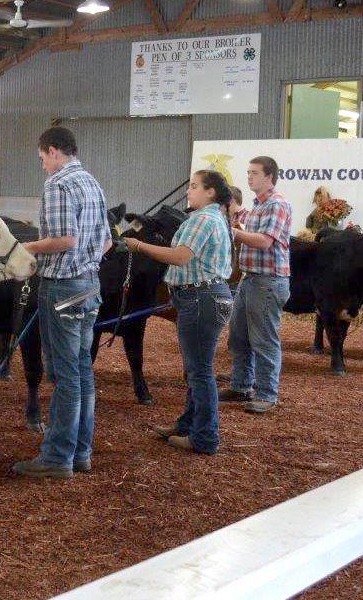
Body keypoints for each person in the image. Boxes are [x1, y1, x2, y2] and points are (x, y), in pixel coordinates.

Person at [12, 126, 109, 479]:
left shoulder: (58, 184)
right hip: (89, 285)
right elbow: (106, 243)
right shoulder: (92, 183)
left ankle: (57, 457)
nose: (42, 166)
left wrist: (29, 247)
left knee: (65, 375)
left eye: (42, 159)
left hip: (62, 288)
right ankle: (80, 451)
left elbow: (64, 239)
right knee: (82, 371)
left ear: (53, 151)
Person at [126, 170, 233, 455]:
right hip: (204, 296)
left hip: (201, 297)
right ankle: (188, 425)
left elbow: (181, 256)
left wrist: (139, 245)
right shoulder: (214, 217)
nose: (190, 191)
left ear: (210, 192)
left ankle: (205, 438)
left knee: (199, 372)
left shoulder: (203, 219)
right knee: (197, 369)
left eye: (195, 186)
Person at [220, 156, 292, 414]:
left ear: (269, 176)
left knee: (264, 340)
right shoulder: (257, 206)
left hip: (268, 280)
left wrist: (233, 232)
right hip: (250, 278)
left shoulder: (277, 204)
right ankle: (241, 386)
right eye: (248, 172)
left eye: (254, 173)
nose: (249, 177)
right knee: (238, 337)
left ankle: (267, 394)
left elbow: (264, 241)